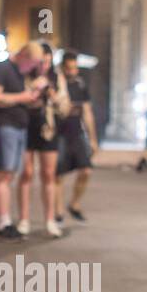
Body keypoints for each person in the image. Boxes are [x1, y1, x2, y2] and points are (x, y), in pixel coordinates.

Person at [0, 43, 47, 240]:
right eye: (33, 64)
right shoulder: (2, 68)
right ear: (23, 55)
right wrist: (23, 96)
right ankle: (3, 223)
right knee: (4, 173)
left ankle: (5, 221)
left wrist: (32, 96)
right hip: (6, 126)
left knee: (9, 174)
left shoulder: (19, 73)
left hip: (17, 127)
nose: (32, 69)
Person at [21, 41, 67, 238]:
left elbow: (65, 107)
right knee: (27, 173)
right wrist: (33, 90)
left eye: (48, 62)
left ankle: (49, 220)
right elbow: (19, 98)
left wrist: (53, 95)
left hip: (48, 129)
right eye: (41, 62)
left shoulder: (57, 78)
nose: (44, 67)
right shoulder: (24, 76)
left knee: (49, 174)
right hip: (25, 127)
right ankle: (24, 219)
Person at [54, 50, 98, 224]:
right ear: (62, 67)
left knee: (86, 170)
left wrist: (93, 139)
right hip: (59, 134)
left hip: (76, 133)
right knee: (59, 175)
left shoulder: (80, 85)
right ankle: (58, 212)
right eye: (69, 68)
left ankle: (74, 204)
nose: (72, 71)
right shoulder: (56, 84)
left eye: (75, 68)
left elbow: (87, 112)